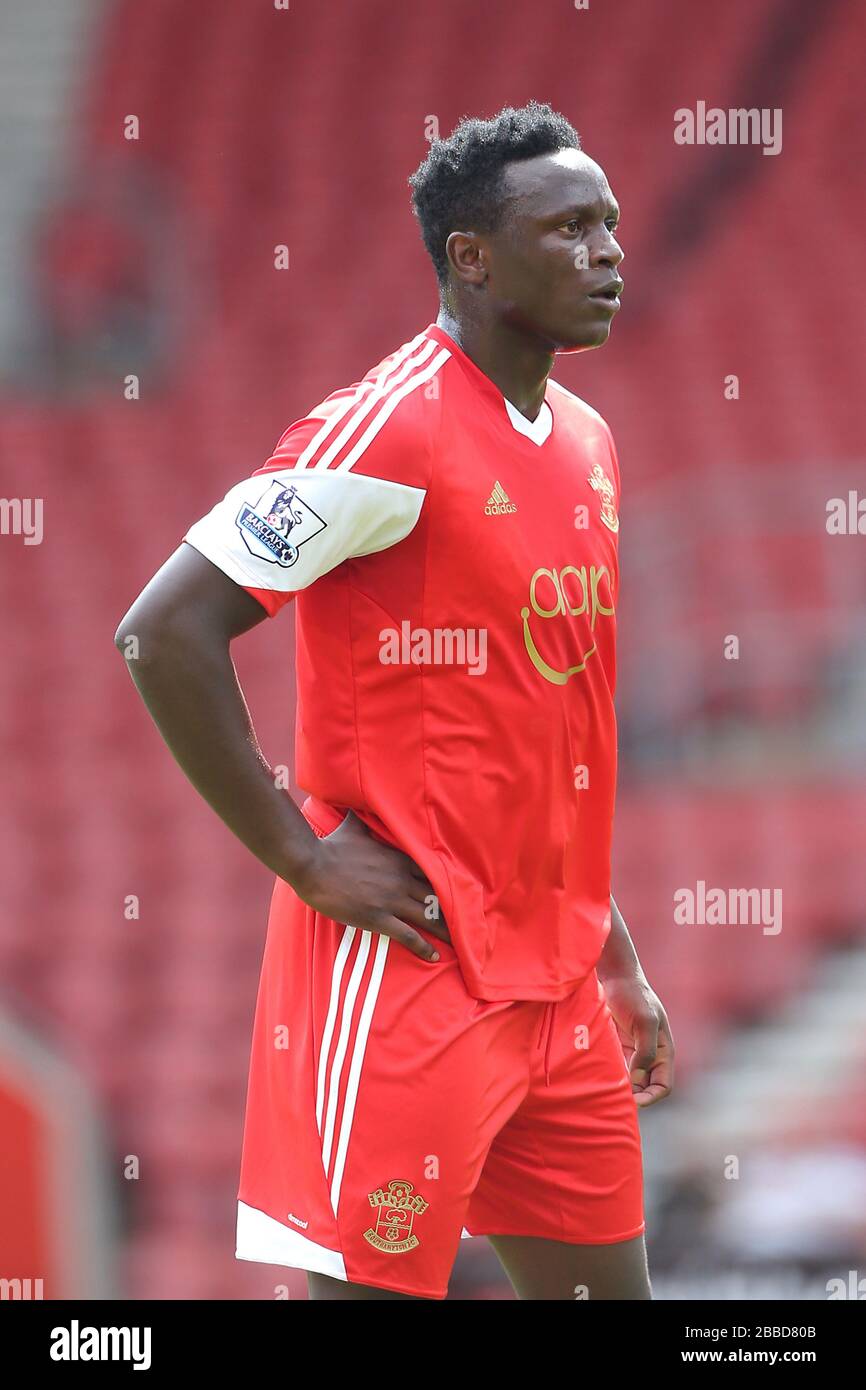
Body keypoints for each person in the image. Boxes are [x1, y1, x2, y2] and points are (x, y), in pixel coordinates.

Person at [115, 100, 674, 1301]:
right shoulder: (384, 430)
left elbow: (550, 729)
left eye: (611, 225)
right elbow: (163, 632)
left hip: (560, 983)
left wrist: (612, 952)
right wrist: (301, 859)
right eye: (568, 226)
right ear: (470, 258)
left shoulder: (584, 439)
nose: (606, 252)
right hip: (409, 971)